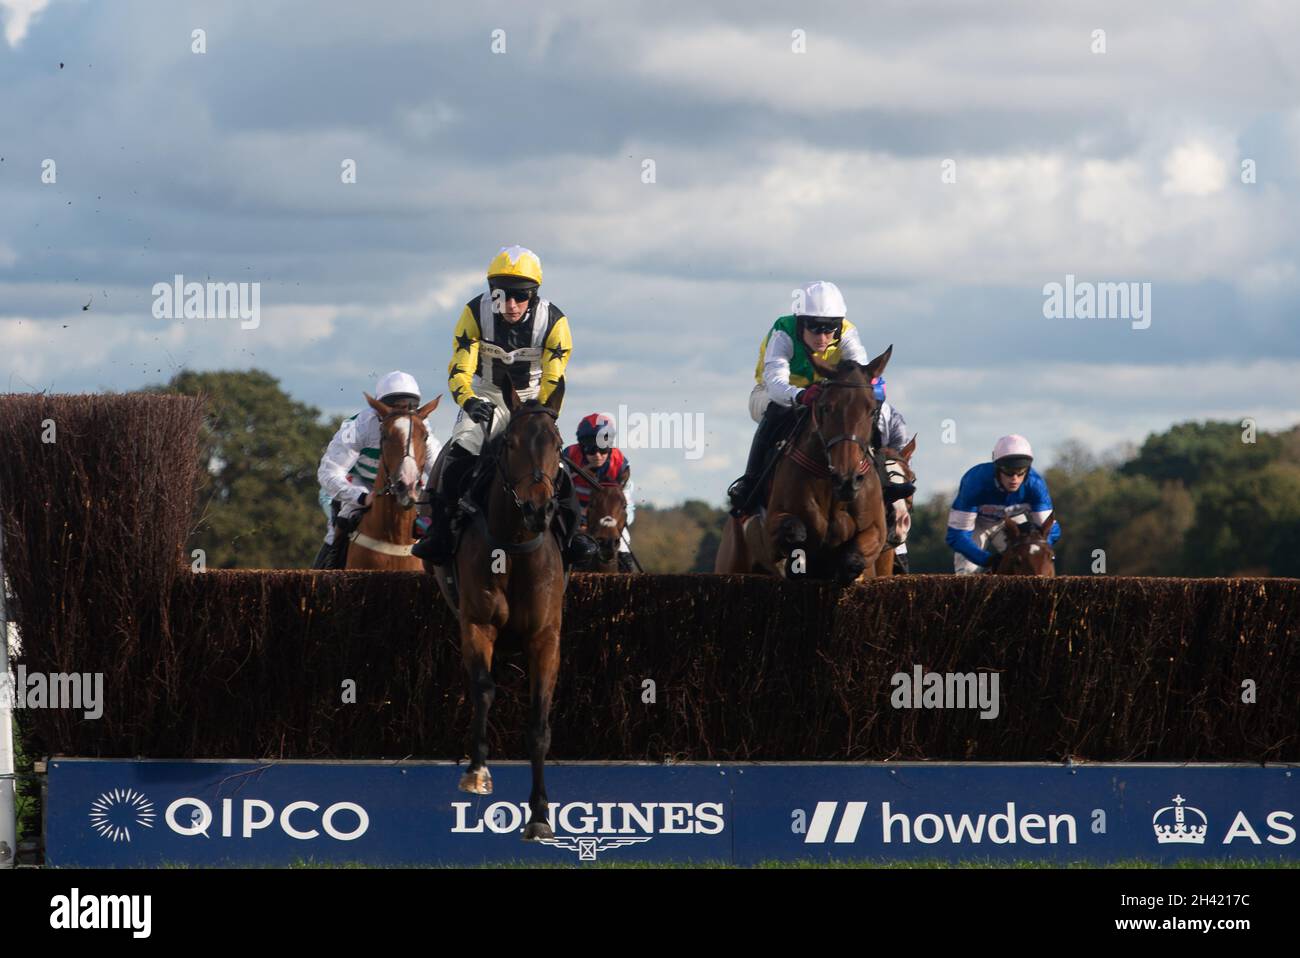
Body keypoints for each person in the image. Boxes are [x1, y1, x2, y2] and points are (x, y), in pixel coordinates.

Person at [411, 245, 597, 565]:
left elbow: (554, 378)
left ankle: (571, 535)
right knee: (462, 445)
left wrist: (541, 412)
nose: (510, 305)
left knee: (554, 459)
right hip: (488, 394)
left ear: (534, 294)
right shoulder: (473, 313)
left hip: (534, 399)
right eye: (501, 295)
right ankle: (441, 530)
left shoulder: (555, 321)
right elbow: (460, 367)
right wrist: (467, 400)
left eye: (519, 296)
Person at [727, 280, 913, 515]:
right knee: (778, 409)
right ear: (801, 323)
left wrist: (870, 391)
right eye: (814, 327)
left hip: (825, 396)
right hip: (773, 394)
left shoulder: (846, 333)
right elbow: (776, 384)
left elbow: (860, 372)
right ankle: (750, 482)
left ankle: (883, 478)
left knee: (869, 411)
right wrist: (802, 395)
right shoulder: (783, 332)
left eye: (829, 328)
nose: (823, 336)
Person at [313, 370, 440, 569]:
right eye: (396, 407)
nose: (403, 412)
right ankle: (323, 576)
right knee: (342, 521)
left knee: (436, 520)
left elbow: (439, 471)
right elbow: (328, 473)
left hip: (404, 484)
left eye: (410, 407)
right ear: (380, 407)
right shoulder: (358, 426)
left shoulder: (421, 427)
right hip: (355, 484)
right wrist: (362, 498)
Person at [946, 434, 1061, 574]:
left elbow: (1052, 529)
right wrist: (987, 560)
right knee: (969, 572)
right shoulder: (975, 482)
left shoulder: (1035, 485)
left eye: (1020, 473)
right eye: (1008, 472)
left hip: (1010, 521)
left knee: (1028, 560)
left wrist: (1038, 543)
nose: (1014, 479)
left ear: (1028, 470)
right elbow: (956, 535)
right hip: (977, 524)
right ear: (997, 469)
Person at [561, 412, 636, 571]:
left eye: (603, 449)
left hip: (608, 520)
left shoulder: (620, 465)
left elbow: (627, 507)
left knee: (624, 544)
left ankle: (627, 573)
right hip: (572, 516)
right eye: (591, 449)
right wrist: (577, 524)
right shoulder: (567, 458)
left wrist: (616, 526)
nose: (597, 455)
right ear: (581, 447)